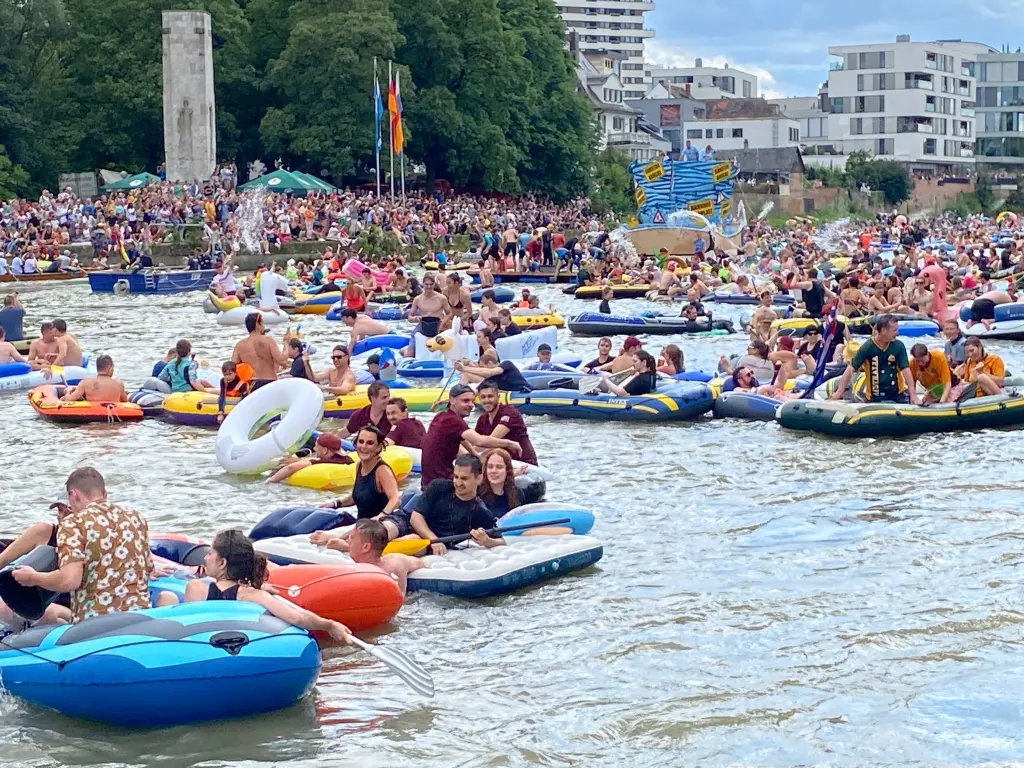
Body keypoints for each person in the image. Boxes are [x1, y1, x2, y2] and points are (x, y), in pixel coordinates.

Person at [11, 467, 174, 623]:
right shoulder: (136, 518)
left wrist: (32, 578)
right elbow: (147, 568)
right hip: (140, 617)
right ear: (104, 493)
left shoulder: (74, 523)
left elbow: (69, 581)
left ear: (73, 495)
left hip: (95, 623)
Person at [184, 530, 352, 643]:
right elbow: (297, 618)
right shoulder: (253, 596)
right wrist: (329, 625)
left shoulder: (195, 588)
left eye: (210, 553)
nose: (205, 558)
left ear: (222, 563)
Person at [420, 384, 522, 488]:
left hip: (427, 482)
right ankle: (511, 474)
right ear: (452, 400)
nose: (471, 405)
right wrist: (509, 443)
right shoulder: (453, 420)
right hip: (442, 482)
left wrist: (474, 454)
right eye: (465, 401)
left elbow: (461, 438)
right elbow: (479, 441)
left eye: (472, 401)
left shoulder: (441, 416)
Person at [410, 455, 505, 556]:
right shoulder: (438, 487)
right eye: (456, 477)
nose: (458, 483)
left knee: (413, 540)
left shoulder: (480, 511)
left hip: (423, 544)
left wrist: (486, 541)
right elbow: (415, 517)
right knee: (396, 531)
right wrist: (435, 540)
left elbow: (501, 540)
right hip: (409, 526)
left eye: (464, 478)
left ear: (479, 478)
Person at [312, 426, 402, 524]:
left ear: (379, 447)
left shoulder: (382, 470)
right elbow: (358, 495)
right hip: (361, 523)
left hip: (376, 527)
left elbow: (395, 499)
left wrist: (381, 516)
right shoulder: (359, 465)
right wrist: (334, 504)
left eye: (370, 443)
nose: (364, 446)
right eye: (361, 441)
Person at [830, 314, 918, 404]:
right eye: (894, 330)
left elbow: (906, 371)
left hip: (898, 395)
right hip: (874, 397)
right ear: (884, 331)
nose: (897, 333)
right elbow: (851, 369)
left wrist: (913, 395)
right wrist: (839, 392)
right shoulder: (868, 347)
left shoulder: (898, 346)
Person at [475, 381, 538, 464]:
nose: (486, 400)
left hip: (524, 464)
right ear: (479, 399)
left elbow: (492, 440)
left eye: (490, 396)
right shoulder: (482, 419)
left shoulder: (510, 412)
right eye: (483, 397)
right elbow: (476, 443)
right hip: (501, 465)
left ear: (498, 397)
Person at [232, 313, 291, 388]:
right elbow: (282, 361)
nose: (263, 326)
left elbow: (232, 367)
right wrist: (286, 344)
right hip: (269, 382)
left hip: (252, 384)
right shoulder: (268, 340)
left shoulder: (239, 345)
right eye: (262, 323)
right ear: (257, 324)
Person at [266, 432, 351, 484]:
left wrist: (270, 481)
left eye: (316, 446)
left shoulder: (320, 462)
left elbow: (290, 468)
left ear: (325, 450)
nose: (314, 449)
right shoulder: (348, 459)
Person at [455, 349, 532, 392]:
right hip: (509, 392)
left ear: (490, 363)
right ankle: (458, 393)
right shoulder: (491, 380)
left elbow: (490, 372)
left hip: (525, 390)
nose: (482, 370)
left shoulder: (506, 364)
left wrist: (463, 368)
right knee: (466, 375)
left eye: (483, 367)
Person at [61, 354, 127, 402]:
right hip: (114, 415)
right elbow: (125, 401)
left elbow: (69, 400)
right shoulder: (119, 383)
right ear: (109, 367)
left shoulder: (86, 382)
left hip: (91, 416)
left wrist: (67, 392)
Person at [477, 448, 521, 517]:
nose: (494, 471)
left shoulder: (518, 493)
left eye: (499, 467)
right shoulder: (477, 494)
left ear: (507, 470)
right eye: (490, 467)